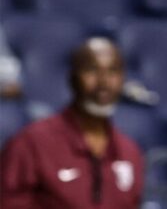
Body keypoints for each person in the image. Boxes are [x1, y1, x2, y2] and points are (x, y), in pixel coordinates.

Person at [0, 37, 144, 208]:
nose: (103, 82)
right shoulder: (31, 143)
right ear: (72, 77)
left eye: (113, 71)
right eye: (92, 70)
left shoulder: (130, 152)